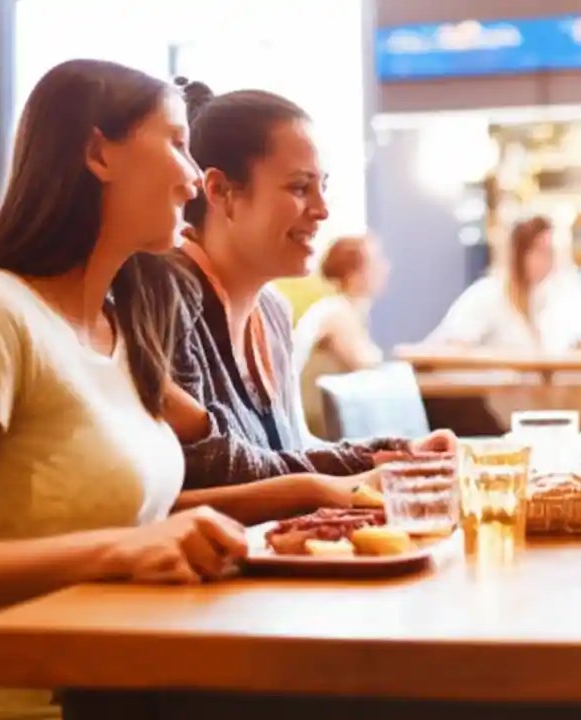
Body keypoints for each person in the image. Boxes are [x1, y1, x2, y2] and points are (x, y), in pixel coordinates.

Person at [0, 59, 247, 720]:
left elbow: (119, 529)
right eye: (176, 141)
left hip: (116, 689)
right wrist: (124, 551)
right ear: (97, 152)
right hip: (7, 703)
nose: (194, 175)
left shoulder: (121, 325)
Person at [162, 79, 452, 523]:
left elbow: (288, 450)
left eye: (323, 187)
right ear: (220, 191)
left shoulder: (272, 310)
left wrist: (397, 453)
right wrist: (362, 474)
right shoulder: (166, 297)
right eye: (300, 188)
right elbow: (206, 474)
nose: (322, 209)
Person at [426, 216, 581, 352]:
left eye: (551, 253)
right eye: (539, 251)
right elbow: (451, 347)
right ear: (519, 253)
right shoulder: (487, 295)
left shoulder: (550, 296)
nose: (547, 261)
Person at [293, 235, 388, 437]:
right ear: (353, 274)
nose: (385, 268)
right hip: (316, 427)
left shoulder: (345, 310)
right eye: (376, 261)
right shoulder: (336, 313)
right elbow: (368, 367)